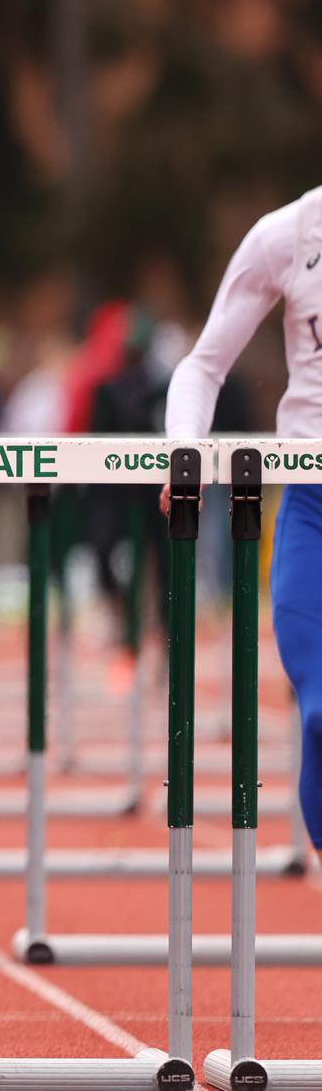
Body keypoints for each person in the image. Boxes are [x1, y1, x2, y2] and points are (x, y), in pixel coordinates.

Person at [165, 188, 322, 864]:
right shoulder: (287, 233)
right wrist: (185, 449)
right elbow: (203, 365)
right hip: (313, 504)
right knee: (319, 708)